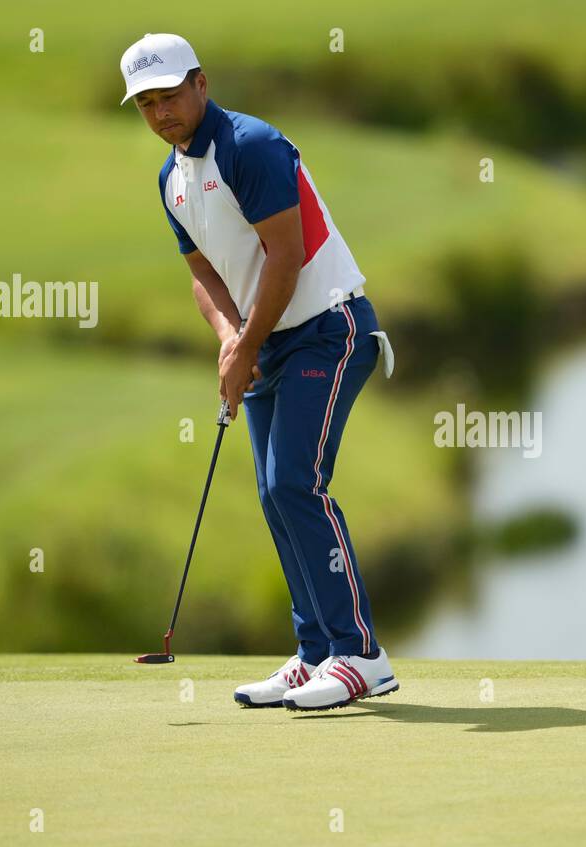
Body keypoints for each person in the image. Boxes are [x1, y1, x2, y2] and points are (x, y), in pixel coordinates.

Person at [119, 33, 398, 710]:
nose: (161, 113)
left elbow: (287, 254)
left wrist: (246, 345)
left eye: (170, 96)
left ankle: (362, 654)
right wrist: (228, 340)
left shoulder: (252, 145)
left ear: (202, 84)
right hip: (270, 340)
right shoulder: (172, 179)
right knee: (276, 496)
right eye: (146, 103)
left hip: (329, 329)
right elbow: (204, 274)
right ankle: (314, 653)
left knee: (294, 482)